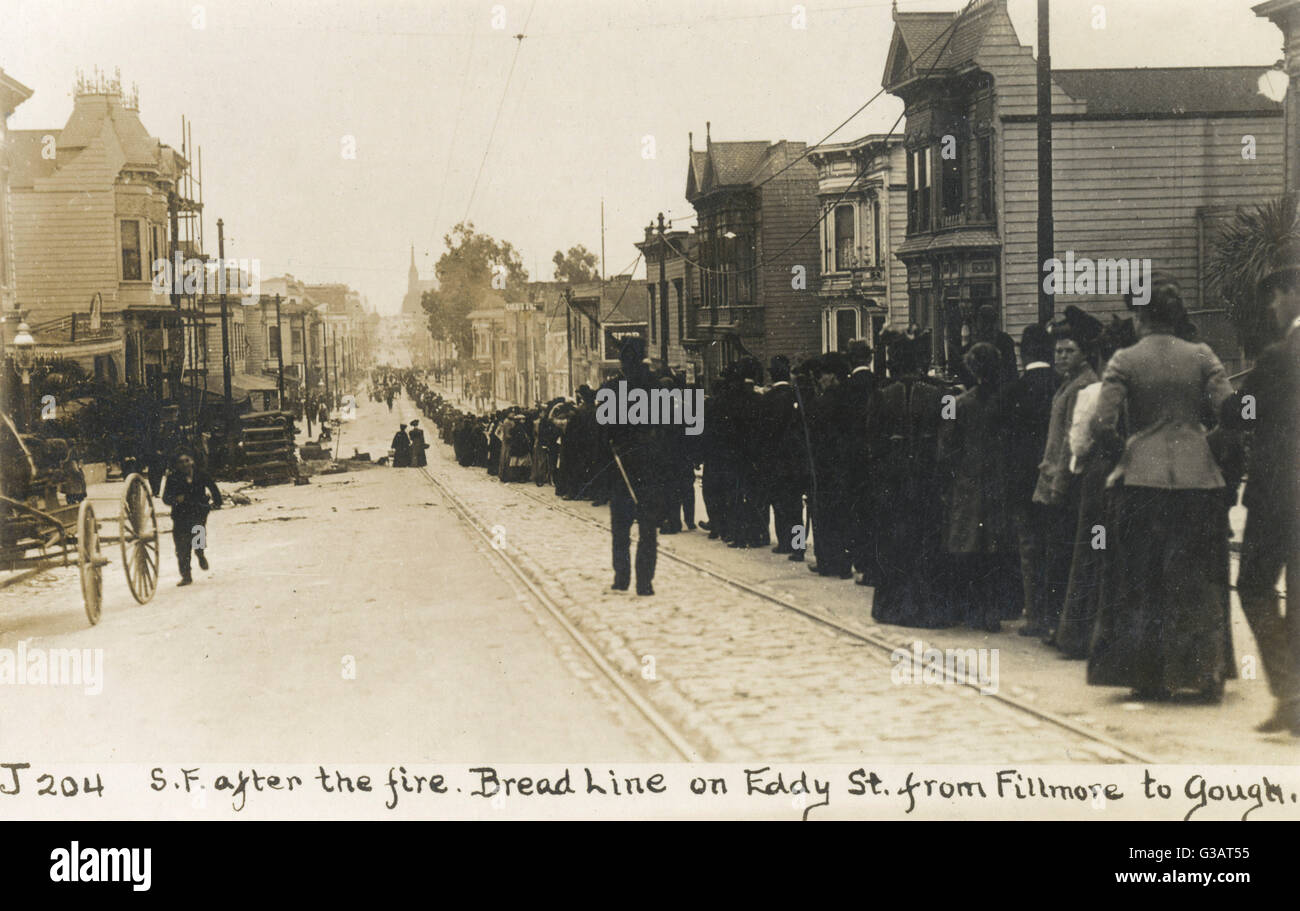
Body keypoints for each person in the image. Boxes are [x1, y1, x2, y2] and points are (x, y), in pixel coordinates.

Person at [1087, 276, 1236, 702]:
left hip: (1141, 483)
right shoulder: (1203, 355)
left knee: (1141, 579)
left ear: (1142, 316)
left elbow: (1102, 425)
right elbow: (1233, 410)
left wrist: (1127, 452)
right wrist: (1208, 446)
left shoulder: (1124, 361)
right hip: (1199, 481)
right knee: (1197, 579)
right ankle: (1204, 673)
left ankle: (1146, 674)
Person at [1220, 251, 1300, 734]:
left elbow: (1240, 414)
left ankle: (1290, 690)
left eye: (1275, 297)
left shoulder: (1279, 357)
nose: (1273, 307)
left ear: (1293, 294)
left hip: (1278, 496)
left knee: (1253, 585)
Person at [871, 330, 953, 627]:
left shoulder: (882, 394)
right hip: (926, 479)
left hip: (893, 481)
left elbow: (873, 442)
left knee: (895, 542)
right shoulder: (941, 394)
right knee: (926, 543)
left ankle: (892, 607)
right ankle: (927, 609)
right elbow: (948, 441)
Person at [1032, 308, 1101, 641]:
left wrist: (1057, 487)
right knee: (1057, 554)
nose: (1061, 356)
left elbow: (1071, 443)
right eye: (1058, 351)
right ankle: (1056, 623)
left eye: (1069, 351)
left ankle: (1058, 624)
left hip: (1067, 483)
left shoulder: (1083, 387)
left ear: (1084, 353)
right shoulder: (1069, 384)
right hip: (1055, 478)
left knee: (1061, 555)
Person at [939, 342, 1018, 631]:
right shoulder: (1007, 401)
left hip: (967, 483)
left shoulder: (958, 404)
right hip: (999, 481)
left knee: (967, 545)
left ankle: (969, 608)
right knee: (995, 546)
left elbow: (946, 447)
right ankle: (993, 610)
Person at [1001, 323, 1061, 637]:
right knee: (1057, 546)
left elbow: (1006, 444)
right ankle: (1057, 614)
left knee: (1030, 549)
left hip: (1023, 483)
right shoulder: (1062, 385)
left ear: (1023, 353)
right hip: (1059, 481)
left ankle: (1035, 614)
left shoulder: (1014, 390)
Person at [602, 338, 668, 595]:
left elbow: (603, 436)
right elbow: (666, 431)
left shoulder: (612, 389)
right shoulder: (656, 388)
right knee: (648, 530)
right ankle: (645, 583)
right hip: (651, 470)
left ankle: (622, 578)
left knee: (620, 530)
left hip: (621, 471)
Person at [160, 451, 222, 586]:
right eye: (180, 462)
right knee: (182, 547)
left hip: (198, 512)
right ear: (176, 465)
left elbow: (213, 488)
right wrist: (175, 500)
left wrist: (217, 503)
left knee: (198, 537)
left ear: (192, 461)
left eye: (186, 461)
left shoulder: (201, 474)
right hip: (180, 515)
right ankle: (186, 576)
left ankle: (200, 555)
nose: (184, 464)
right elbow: (165, 498)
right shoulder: (173, 478)